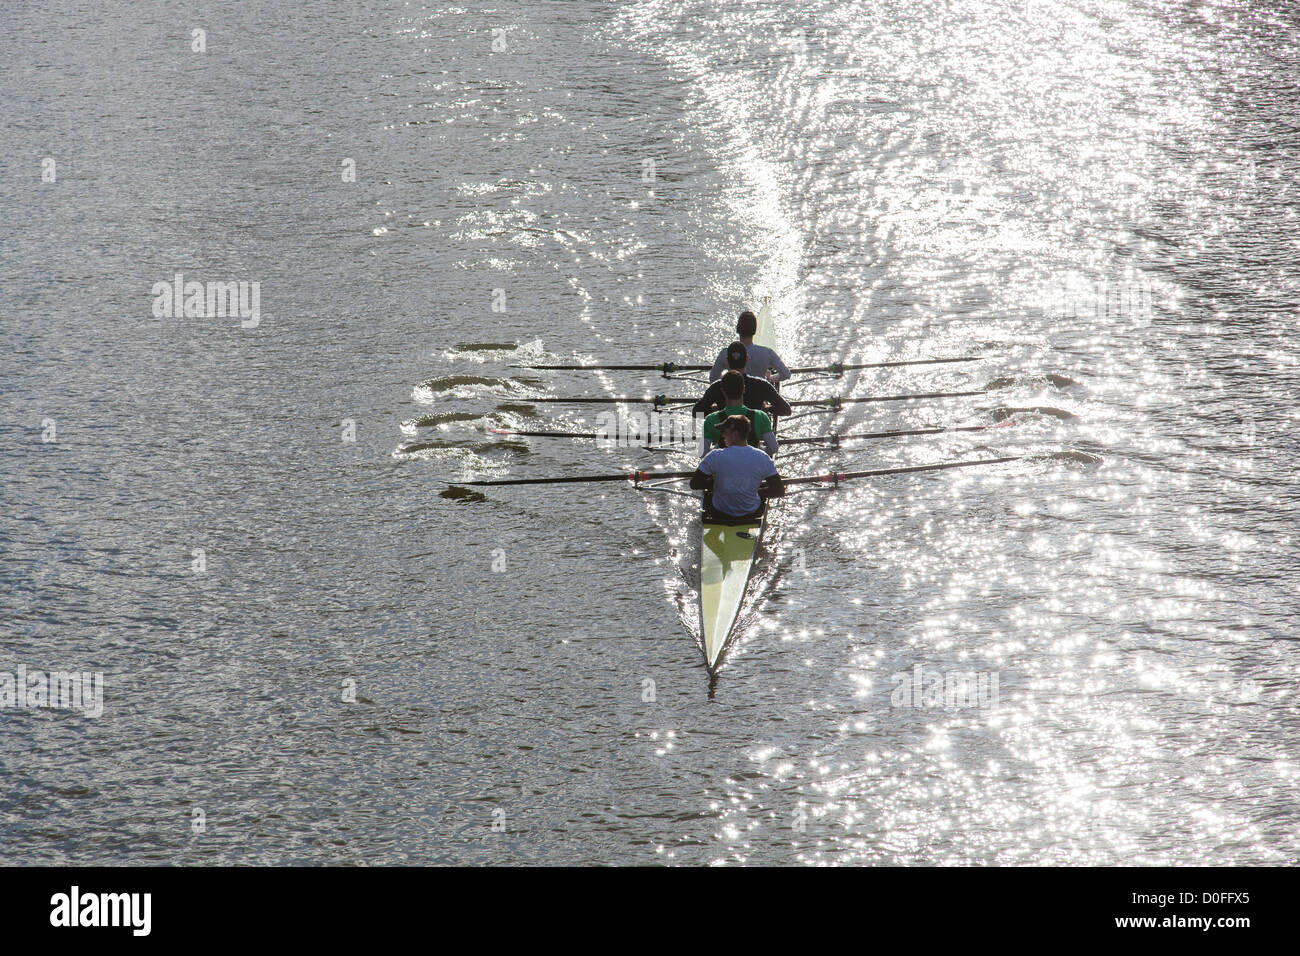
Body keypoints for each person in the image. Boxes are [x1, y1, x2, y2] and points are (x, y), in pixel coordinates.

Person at [690, 415, 785, 522]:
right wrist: (755, 492)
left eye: (725, 432)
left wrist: (716, 483)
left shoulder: (714, 456)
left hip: (720, 513)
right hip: (751, 513)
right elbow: (779, 491)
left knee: (708, 494)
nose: (722, 435)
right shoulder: (762, 457)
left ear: (735, 434)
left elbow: (694, 484)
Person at [693, 341, 792, 419]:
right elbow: (786, 410)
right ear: (747, 359)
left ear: (727, 360)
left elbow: (696, 412)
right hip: (754, 438)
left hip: (725, 439)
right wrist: (767, 408)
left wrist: (717, 409)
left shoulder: (717, 386)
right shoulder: (761, 384)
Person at [701, 371, 777, 455]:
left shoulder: (711, 419)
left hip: (725, 467)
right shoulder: (761, 416)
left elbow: (703, 452)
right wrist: (759, 449)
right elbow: (773, 448)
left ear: (723, 391)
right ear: (743, 389)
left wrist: (717, 448)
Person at [709, 310, 792, 384]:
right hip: (759, 398)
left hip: (734, 398)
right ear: (755, 331)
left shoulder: (725, 353)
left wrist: (727, 377)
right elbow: (786, 374)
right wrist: (768, 378)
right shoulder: (767, 353)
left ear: (737, 329)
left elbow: (713, 379)